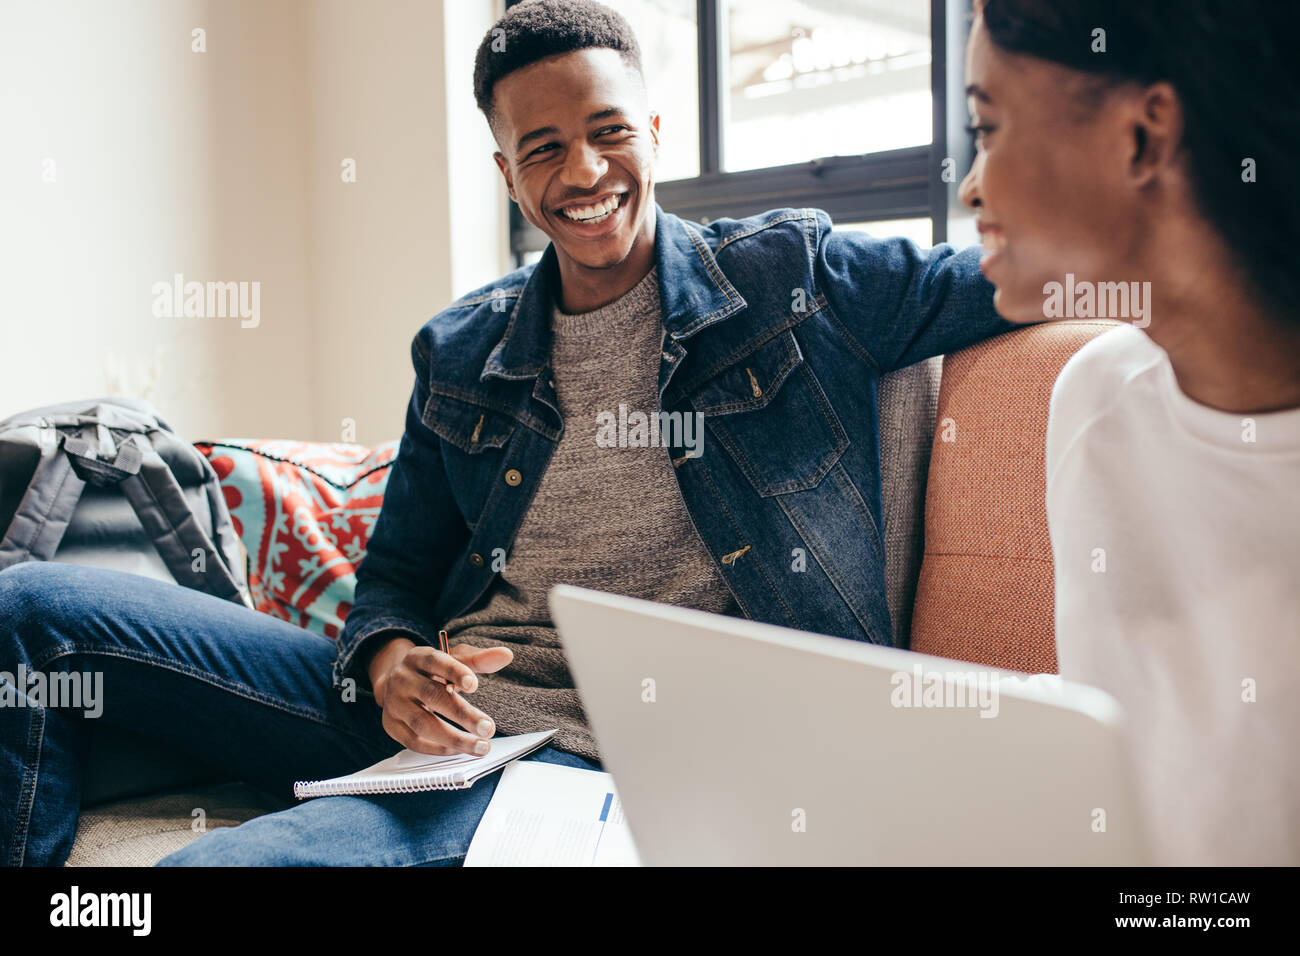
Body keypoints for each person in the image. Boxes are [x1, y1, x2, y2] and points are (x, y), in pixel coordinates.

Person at [0, 0, 1013, 867]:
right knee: (30, 608)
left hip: (582, 757)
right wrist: (392, 658)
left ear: (655, 130)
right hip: (440, 712)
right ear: (507, 174)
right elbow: (395, 574)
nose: (583, 170)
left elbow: (1002, 279)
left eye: (609, 130)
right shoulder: (465, 349)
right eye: (542, 148)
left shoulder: (790, 276)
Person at [959, 0, 1300, 864]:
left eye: (988, 129)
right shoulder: (1095, 401)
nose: (970, 185)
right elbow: (1130, 738)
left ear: (1143, 137)